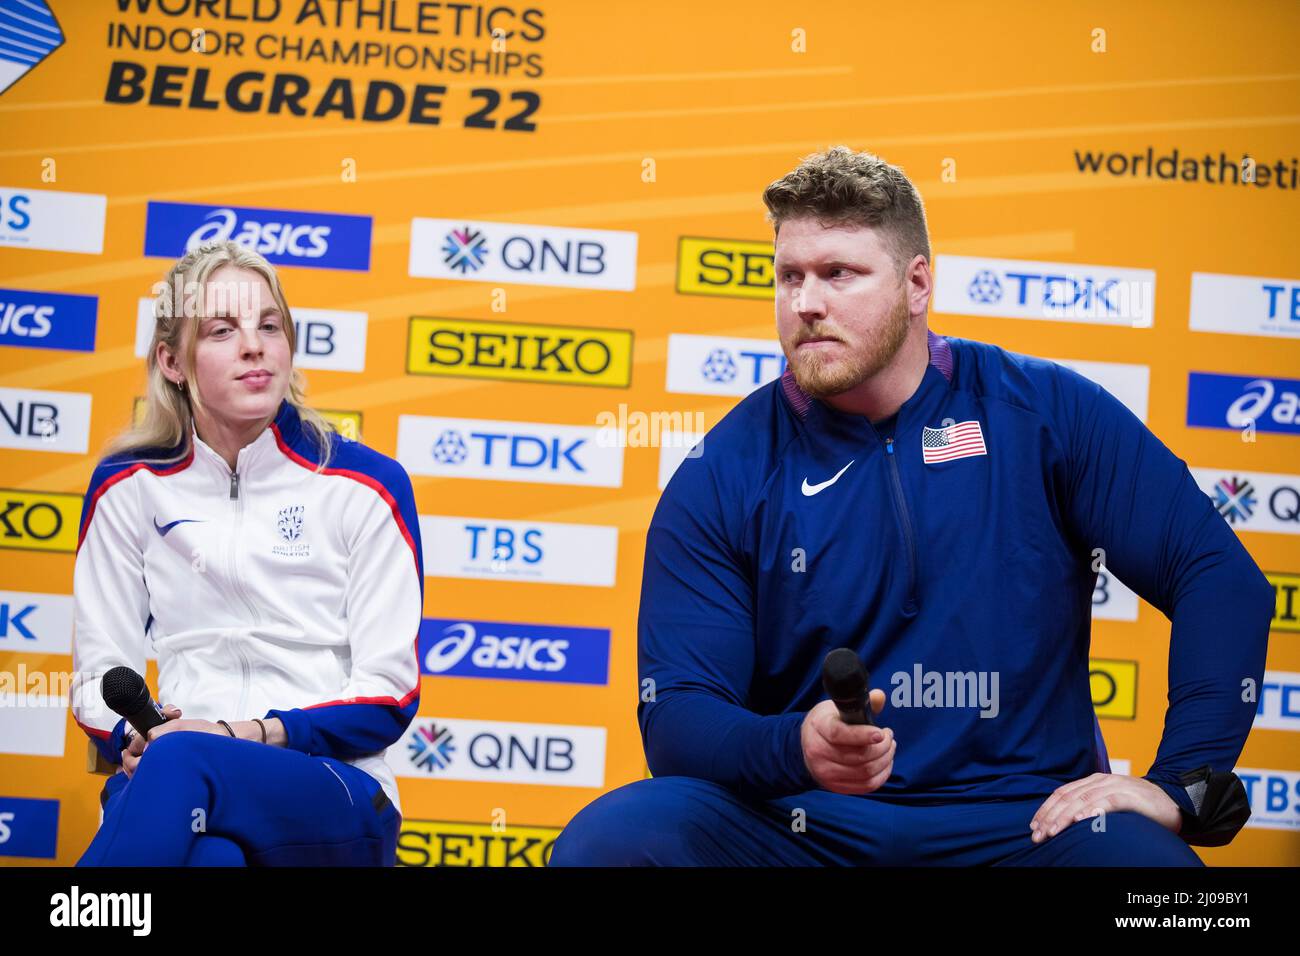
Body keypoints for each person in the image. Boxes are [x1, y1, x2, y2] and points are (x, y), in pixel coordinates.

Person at [551, 146, 1269, 866]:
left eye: (839, 274)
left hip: (1027, 825)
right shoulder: (726, 469)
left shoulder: (1042, 413)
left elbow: (1217, 575)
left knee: (1167, 888)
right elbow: (676, 713)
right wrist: (795, 745)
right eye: (790, 276)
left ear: (917, 283)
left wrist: (1179, 786)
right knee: (611, 842)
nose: (806, 303)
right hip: (808, 824)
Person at [70, 239, 423, 866]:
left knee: (180, 761)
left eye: (269, 325)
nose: (254, 346)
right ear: (172, 361)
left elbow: (388, 693)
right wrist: (131, 734)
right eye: (221, 330)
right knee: (212, 863)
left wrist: (240, 735)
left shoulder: (366, 485)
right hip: (178, 780)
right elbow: (102, 672)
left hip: (330, 783)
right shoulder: (127, 487)